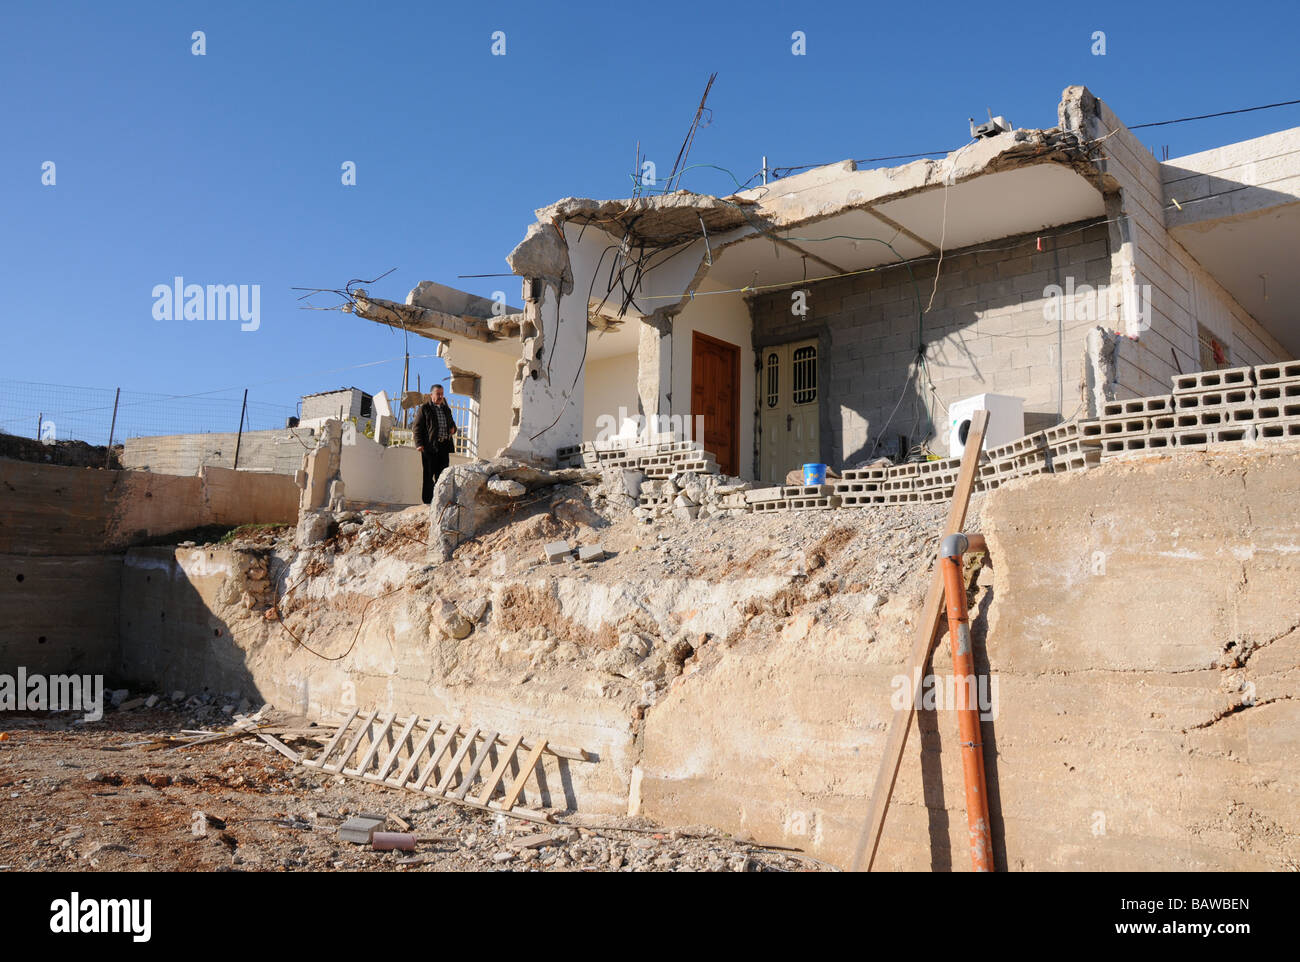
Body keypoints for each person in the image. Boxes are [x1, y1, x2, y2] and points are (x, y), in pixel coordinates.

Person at [413, 385, 458, 504]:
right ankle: (428, 501)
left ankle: (440, 500)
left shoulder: (446, 409)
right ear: (431, 395)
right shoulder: (425, 408)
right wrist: (419, 443)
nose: (440, 396)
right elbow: (417, 427)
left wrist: (454, 428)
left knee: (442, 475)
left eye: (442, 394)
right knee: (428, 475)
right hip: (430, 447)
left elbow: (453, 424)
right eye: (438, 394)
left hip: (444, 446)